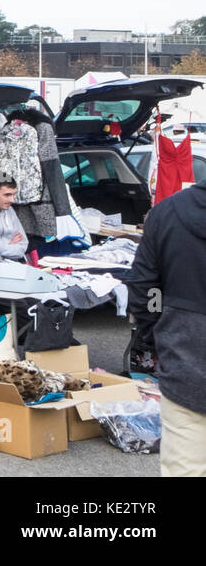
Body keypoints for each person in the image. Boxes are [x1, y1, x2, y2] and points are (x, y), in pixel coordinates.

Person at [127, 176, 206, 476]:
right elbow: (147, 290)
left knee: (186, 470)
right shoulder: (168, 212)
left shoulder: (167, 212)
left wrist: (159, 329)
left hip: (186, 363)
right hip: (184, 361)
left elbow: (146, 289)